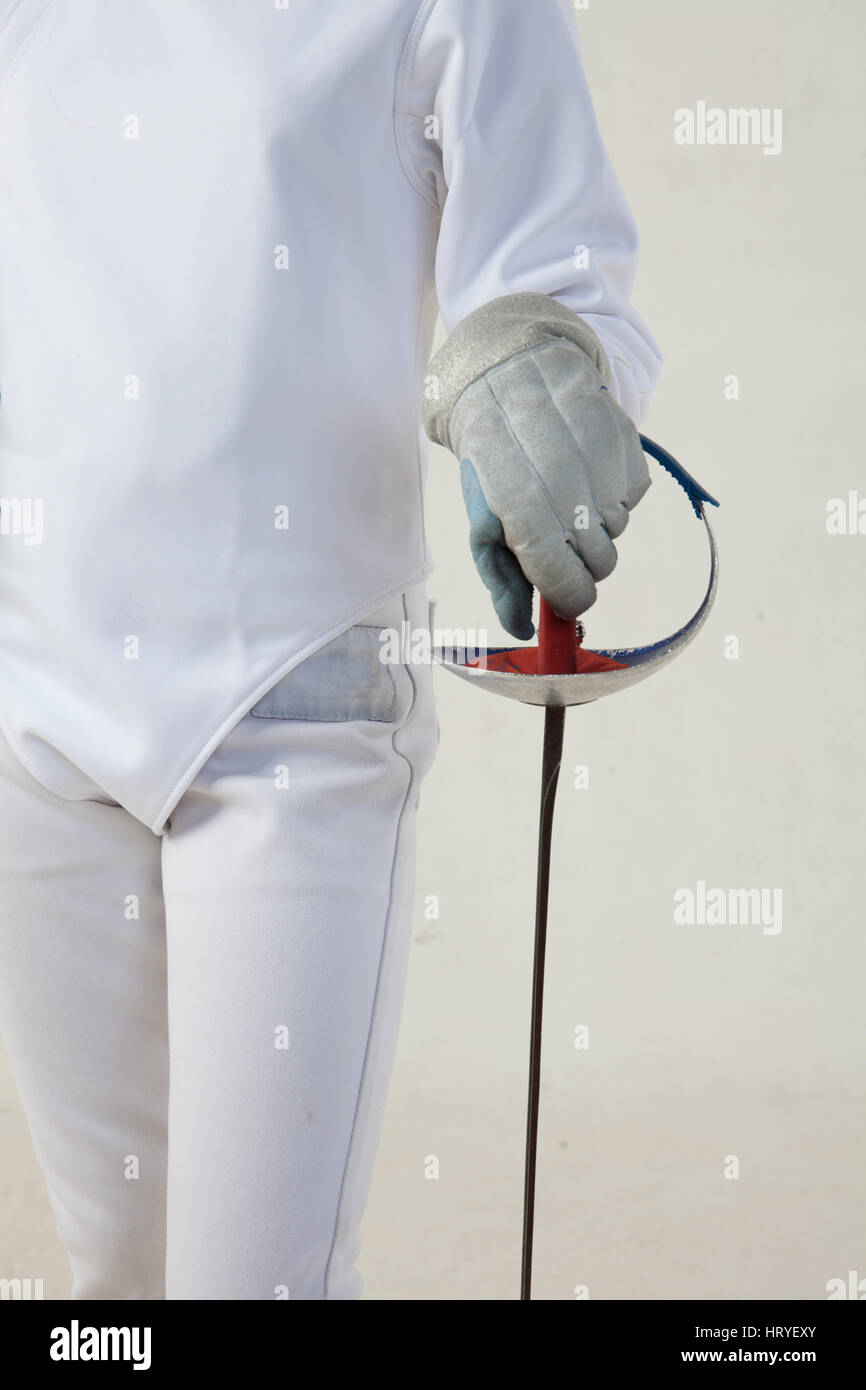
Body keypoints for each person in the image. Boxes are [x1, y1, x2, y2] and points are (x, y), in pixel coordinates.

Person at [0, 0, 661, 1299]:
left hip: (290, 715)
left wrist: (533, 360)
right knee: (114, 1281)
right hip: (32, 702)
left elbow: (564, 261)